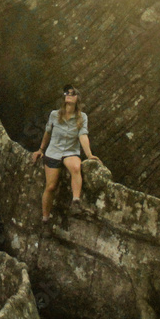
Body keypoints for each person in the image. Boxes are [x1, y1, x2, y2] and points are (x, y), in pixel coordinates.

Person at [30, 84, 100, 223]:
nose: (68, 95)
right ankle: (45, 218)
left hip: (70, 152)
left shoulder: (82, 117)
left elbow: (83, 136)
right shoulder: (54, 115)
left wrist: (89, 155)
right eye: (66, 93)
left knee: (76, 167)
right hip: (54, 152)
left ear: (77, 98)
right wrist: (41, 150)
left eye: (72, 93)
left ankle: (76, 202)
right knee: (51, 187)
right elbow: (47, 132)